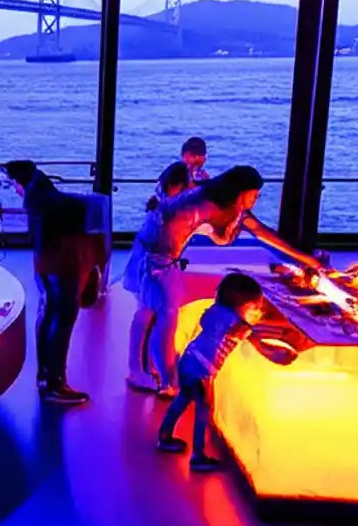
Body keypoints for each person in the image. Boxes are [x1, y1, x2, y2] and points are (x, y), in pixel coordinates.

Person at [134, 166, 322, 394]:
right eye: (254, 192)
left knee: (157, 316)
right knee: (166, 318)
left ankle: (158, 373)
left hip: (162, 258)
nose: (258, 197)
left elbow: (265, 235)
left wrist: (308, 261)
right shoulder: (206, 206)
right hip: (158, 259)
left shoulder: (231, 210)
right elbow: (172, 220)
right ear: (241, 192)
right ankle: (168, 382)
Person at [157, 272, 290, 471]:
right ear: (242, 305)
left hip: (188, 361)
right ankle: (198, 456)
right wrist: (282, 353)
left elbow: (208, 323)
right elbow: (261, 345)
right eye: (255, 307)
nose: (257, 311)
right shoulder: (238, 326)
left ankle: (164, 437)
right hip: (202, 372)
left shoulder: (216, 311)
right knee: (204, 411)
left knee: (182, 400)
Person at [5, 160, 103, 404]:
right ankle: (55, 384)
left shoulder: (38, 199)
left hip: (47, 264)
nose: (14, 190)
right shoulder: (46, 197)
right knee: (62, 321)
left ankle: (46, 376)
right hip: (62, 266)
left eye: (13, 184)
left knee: (48, 316)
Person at [124, 162, 192, 393]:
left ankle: (142, 368)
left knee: (145, 314)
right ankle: (159, 374)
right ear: (177, 185)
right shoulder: (168, 210)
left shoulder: (160, 205)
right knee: (161, 317)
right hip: (155, 265)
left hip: (147, 262)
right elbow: (161, 242)